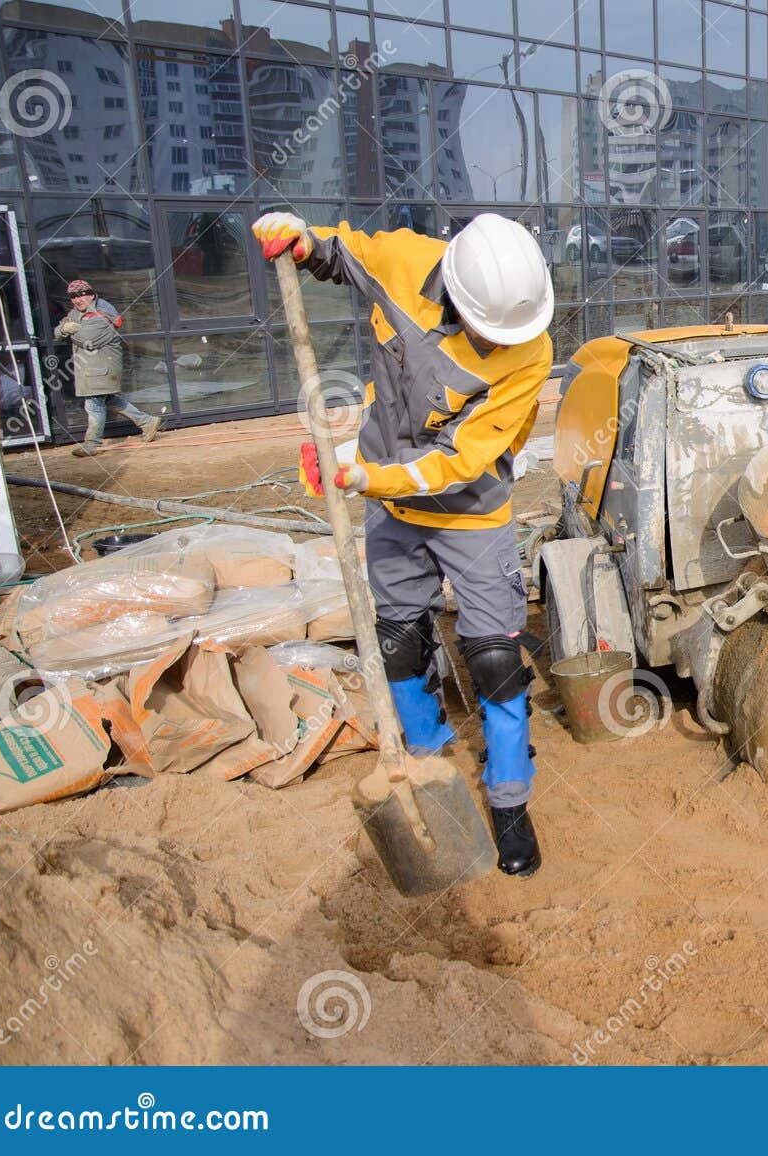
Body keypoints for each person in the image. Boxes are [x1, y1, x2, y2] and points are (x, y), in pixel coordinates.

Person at [251, 210, 554, 878]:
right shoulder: (405, 260)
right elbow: (342, 253)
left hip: (468, 507)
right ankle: (424, 756)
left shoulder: (529, 351)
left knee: (496, 657)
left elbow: (464, 459)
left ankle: (509, 798)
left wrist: (363, 477)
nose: (499, 340)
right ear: (453, 288)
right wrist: (301, 241)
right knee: (399, 639)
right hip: (388, 501)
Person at [56, 280, 162, 455]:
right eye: (73, 297)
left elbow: (87, 342)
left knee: (93, 406)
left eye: (81, 295)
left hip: (102, 369)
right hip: (90, 370)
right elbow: (58, 331)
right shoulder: (77, 312)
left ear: (91, 293)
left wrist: (66, 331)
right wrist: (65, 329)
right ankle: (147, 422)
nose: (77, 300)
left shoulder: (103, 312)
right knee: (111, 400)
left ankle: (92, 444)